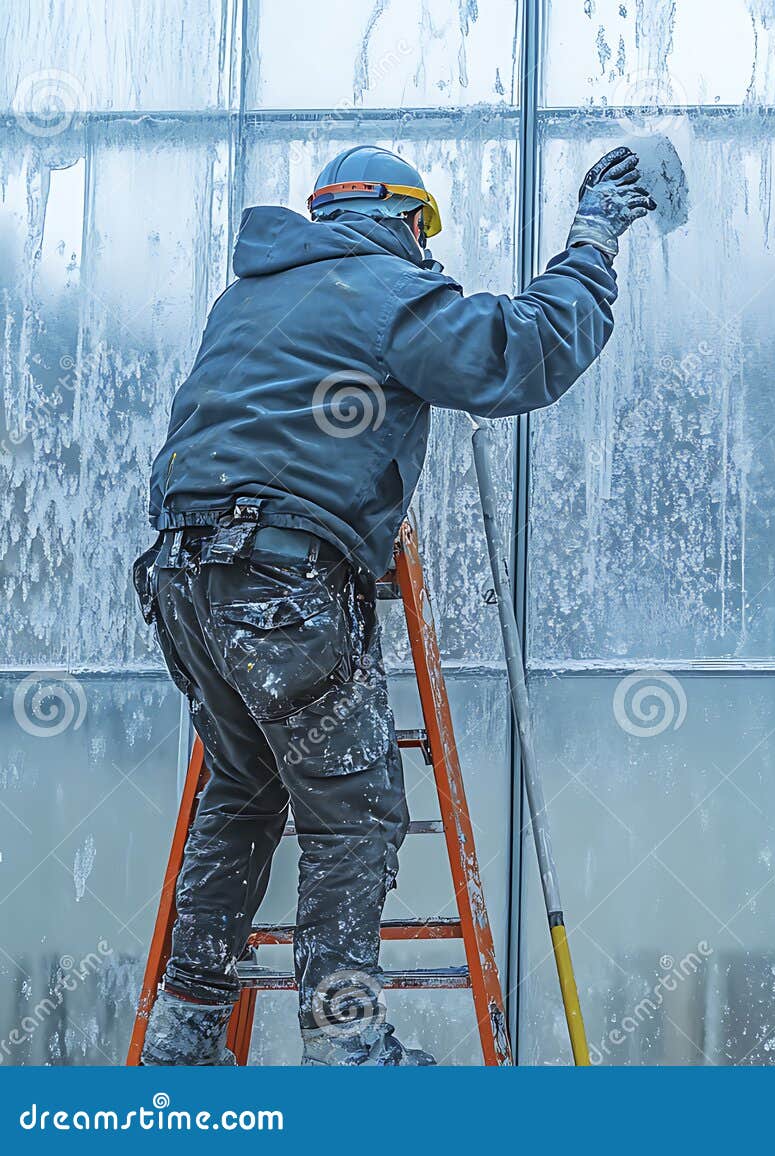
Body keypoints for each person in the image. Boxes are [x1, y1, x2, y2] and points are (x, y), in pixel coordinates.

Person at [134, 143, 655, 1065]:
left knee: (243, 794)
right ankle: (345, 1043)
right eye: (426, 231)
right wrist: (593, 239)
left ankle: (185, 1035)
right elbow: (519, 355)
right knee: (356, 810)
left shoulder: (250, 299)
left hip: (183, 578)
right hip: (278, 581)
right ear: (407, 221)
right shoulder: (382, 289)